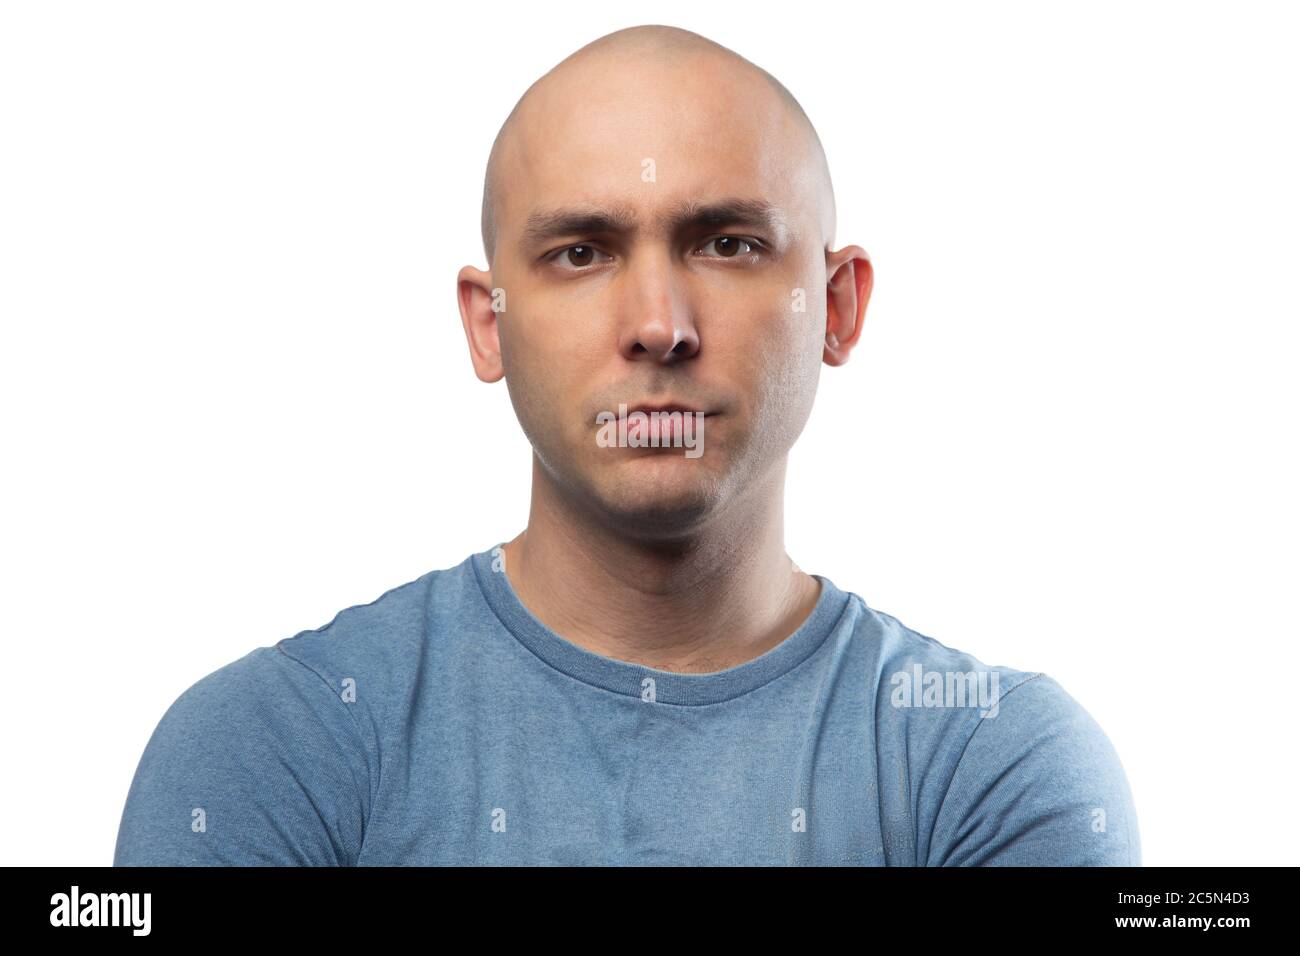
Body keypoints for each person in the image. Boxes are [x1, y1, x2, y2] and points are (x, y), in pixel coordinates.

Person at [114, 24, 1140, 866]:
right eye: (581, 252)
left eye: (727, 243)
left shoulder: (994, 761)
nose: (658, 322)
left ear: (835, 307)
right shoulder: (271, 748)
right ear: (489, 323)